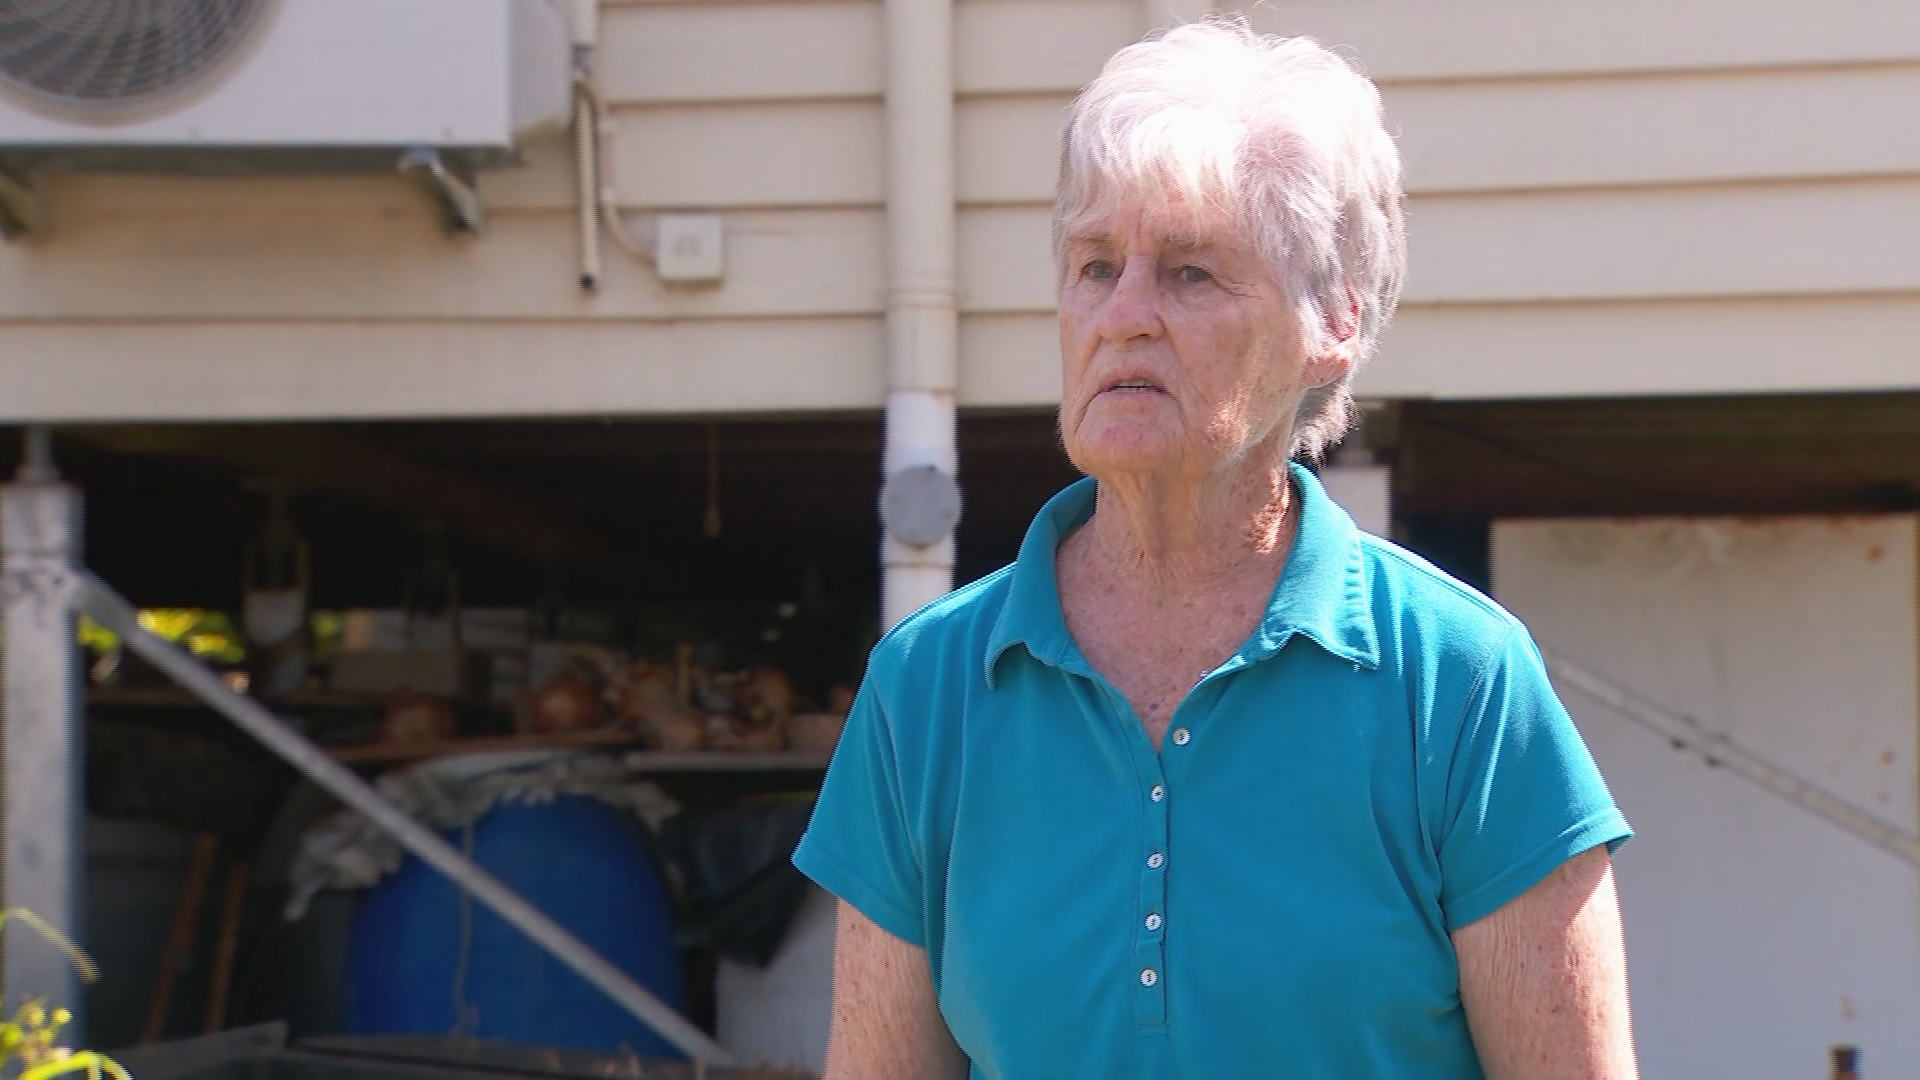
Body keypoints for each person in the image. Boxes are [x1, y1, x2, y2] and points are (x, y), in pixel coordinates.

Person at [793, 18, 1637, 1079]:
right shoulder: (927, 690)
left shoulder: (1458, 684)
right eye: (1095, 266)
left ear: (1334, 318)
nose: (1125, 315)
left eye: (1191, 273)